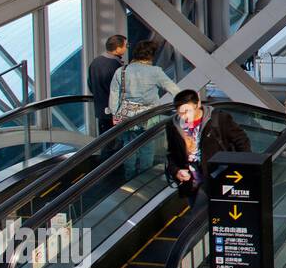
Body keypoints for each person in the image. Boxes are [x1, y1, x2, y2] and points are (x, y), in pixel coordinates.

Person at [164, 89, 251, 204]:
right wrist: (176, 171)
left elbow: (242, 141)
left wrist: (243, 170)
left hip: (220, 178)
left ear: (198, 105)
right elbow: (172, 154)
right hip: (192, 184)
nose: (184, 116)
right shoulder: (173, 126)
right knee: (198, 215)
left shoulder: (219, 119)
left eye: (187, 111)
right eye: (180, 113)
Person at [109, 40, 179, 176]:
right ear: (151, 55)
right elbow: (174, 89)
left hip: (126, 116)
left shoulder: (121, 71)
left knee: (128, 146)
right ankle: (144, 177)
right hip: (149, 115)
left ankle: (129, 176)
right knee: (147, 147)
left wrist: (114, 114)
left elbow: (114, 95)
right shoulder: (155, 72)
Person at [87, 34, 127, 138]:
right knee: (117, 145)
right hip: (116, 112)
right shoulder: (117, 66)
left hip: (100, 110)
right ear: (118, 49)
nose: (126, 48)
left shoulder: (95, 62)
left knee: (105, 142)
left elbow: (90, 85)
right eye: (125, 45)